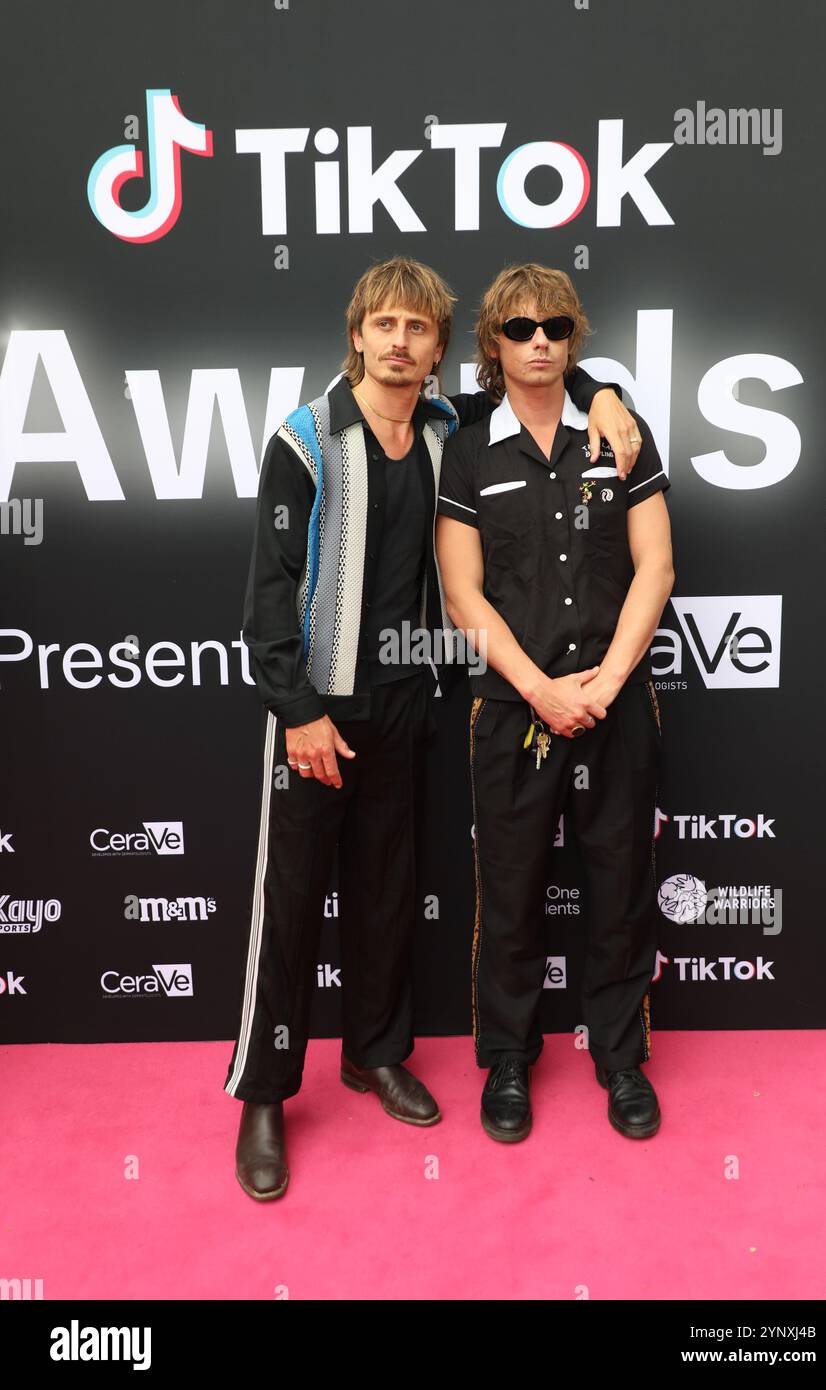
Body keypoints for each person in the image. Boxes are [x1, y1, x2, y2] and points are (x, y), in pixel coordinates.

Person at [224, 256, 643, 1200]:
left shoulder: (451, 428)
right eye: (386, 326)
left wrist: (602, 389)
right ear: (358, 334)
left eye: (419, 330)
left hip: (408, 705)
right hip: (317, 713)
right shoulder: (305, 440)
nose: (401, 343)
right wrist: (297, 712)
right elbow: (267, 597)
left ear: (441, 350)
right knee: (289, 911)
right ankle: (264, 1097)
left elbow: (540, 367)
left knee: (386, 892)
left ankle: (373, 1055)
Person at [435, 262, 674, 1144]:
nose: (540, 341)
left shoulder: (619, 431)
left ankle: (620, 1057)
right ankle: (507, 1058)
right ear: (493, 344)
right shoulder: (466, 445)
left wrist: (605, 686)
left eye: (557, 328)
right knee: (510, 891)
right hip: (511, 707)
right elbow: (463, 594)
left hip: (614, 703)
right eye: (521, 328)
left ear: (576, 338)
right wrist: (539, 691)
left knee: (620, 883)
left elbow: (658, 568)